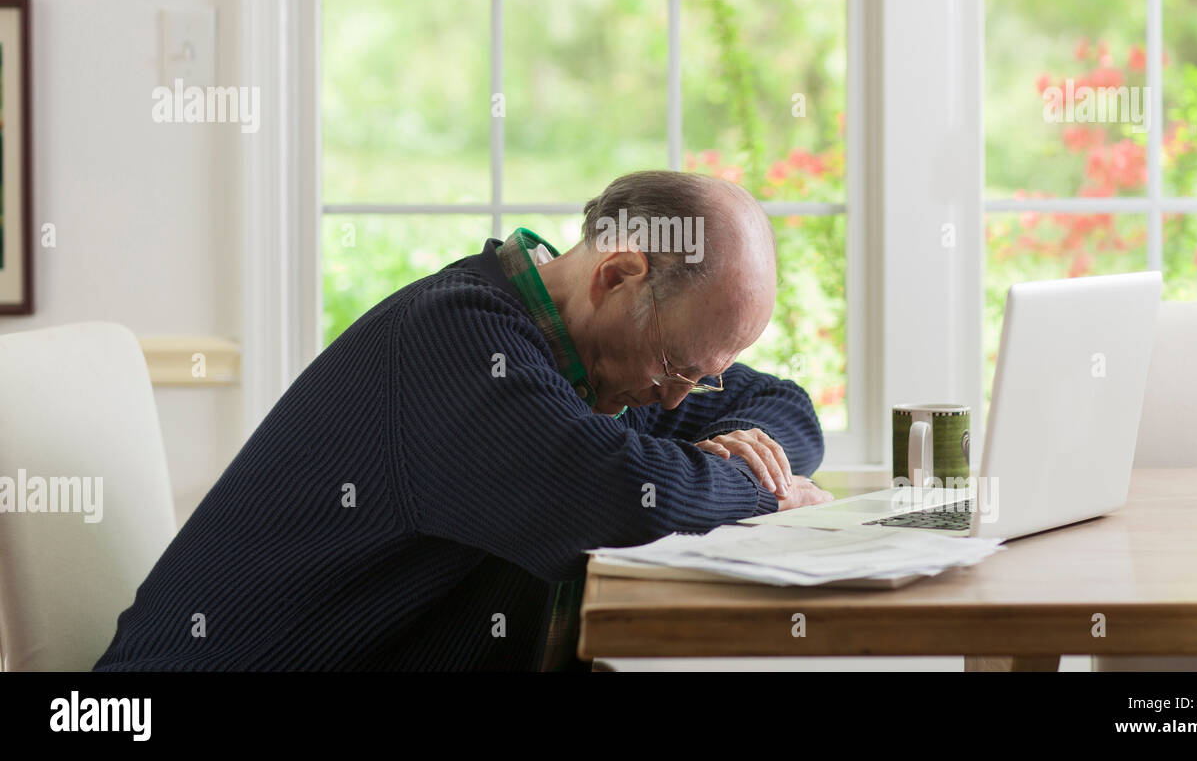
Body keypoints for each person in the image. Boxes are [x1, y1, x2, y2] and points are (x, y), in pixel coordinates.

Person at [94, 170, 831, 671]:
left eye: (701, 379)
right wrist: (761, 487)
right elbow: (615, 493)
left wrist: (737, 456)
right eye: (676, 370)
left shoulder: (599, 367)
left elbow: (785, 410)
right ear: (617, 276)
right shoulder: (461, 342)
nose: (678, 400)